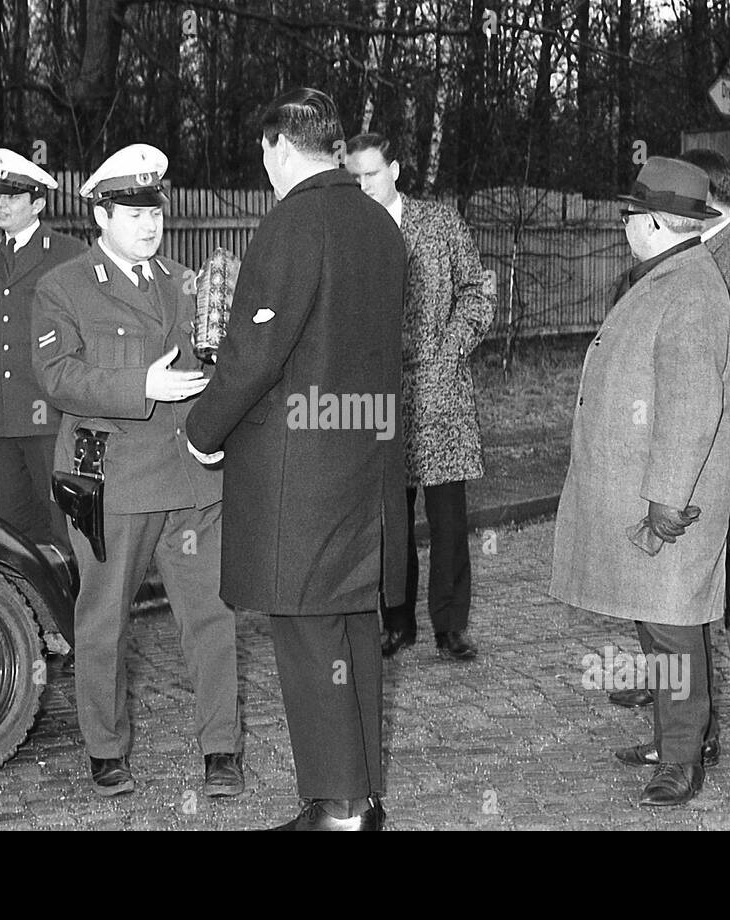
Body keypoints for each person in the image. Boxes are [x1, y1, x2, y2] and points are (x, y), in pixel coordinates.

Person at [185, 89, 407, 831]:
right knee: (351, 632)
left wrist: (203, 428)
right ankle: (363, 799)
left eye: (264, 156)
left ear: (280, 146)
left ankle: (337, 810)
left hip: (300, 474)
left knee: (309, 638)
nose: (265, 169)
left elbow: (253, 354)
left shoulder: (291, 223)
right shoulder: (379, 224)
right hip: (365, 460)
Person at [30, 143, 244, 799]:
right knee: (104, 622)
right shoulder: (63, 286)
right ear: (99, 215)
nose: (148, 223)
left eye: (154, 208)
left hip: (191, 479)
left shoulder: (186, 282)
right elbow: (58, 377)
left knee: (211, 619)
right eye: (131, 211)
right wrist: (139, 384)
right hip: (113, 481)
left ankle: (220, 750)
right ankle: (104, 747)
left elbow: (215, 370)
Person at [549, 157, 730, 807]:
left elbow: (691, 407)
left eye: (631, 213)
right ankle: (676, 738)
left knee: (671, 628)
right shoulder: (672, 275)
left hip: (670, 503)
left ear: (656, 222)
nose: (624, 221)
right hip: (658, 496)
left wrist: (665, 498)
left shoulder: (687, 288)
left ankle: (683, 760)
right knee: (659, 623)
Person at [609, 151, 730, 725]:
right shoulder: (683, 252)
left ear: (714, 199)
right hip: (681, 442)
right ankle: (675, 684)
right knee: (678, 575)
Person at [345, 132, 495, 662]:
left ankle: (450, 625)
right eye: (354, 176)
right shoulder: (350, 231)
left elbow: (478, 291)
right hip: (379, 394)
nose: (362, 185)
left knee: (449, 518)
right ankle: (396, 621)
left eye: (371, 174)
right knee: (390, 517)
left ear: (396, 170)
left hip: (440, 392)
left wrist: (450, 348)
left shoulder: (440, 222)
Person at [0, 149, 83, 552]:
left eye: (12, 197)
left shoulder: (67, 254)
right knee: (15, 532)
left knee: (62, 525)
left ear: (38, 203)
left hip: (48, 418)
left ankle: (74, 611)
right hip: (3, 418)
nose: (0, 204)